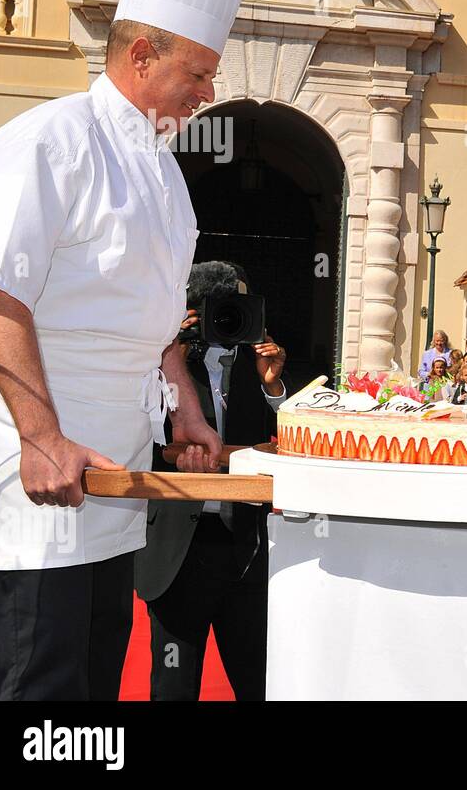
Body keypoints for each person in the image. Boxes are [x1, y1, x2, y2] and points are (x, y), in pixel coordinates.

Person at [0, 0, 251, 700]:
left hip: (118, 476)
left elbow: (158, 326)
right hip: (45, 478)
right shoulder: (48, 140)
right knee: (38, 682)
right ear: (140, 57)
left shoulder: (166, 174)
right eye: (197, 73)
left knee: (95, 683)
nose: (207, 94)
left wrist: (186, 413)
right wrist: (40, 437)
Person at [136, 261, 285, 701]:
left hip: (244, 548)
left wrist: (273, 388)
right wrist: (169, 354)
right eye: (210, 311)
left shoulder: (257, 367)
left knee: (257, 679)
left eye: (232, 309)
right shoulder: (157, 367)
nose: (223, 321)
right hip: (177, 553)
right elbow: (137, 435)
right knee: (174, 685)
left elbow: (287, 440)